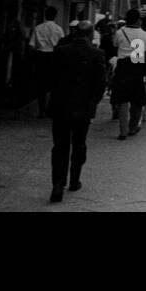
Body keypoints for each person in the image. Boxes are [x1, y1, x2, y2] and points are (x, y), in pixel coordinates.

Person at [46, 21, 107, 203]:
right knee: (79, 144)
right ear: (90, 35)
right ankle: (74, 180)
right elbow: (100, 85)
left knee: (60, 146)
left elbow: (50, 79)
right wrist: (92, 102)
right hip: (83, 108)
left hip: (60, 106)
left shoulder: (60, 51)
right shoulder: (97, 54)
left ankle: (58, 184)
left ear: (74, 33)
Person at [110, 9, 146, 139]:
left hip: (123, 67)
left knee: (122, 100)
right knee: (137, 100)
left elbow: (115, 46)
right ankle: (133, 127)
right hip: (137, 66)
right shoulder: (143, 34)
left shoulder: (120, 32)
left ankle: (122, 130)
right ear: (138, 20)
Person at [28, 6, 64, 116]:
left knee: (40, 85)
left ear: (45, 15)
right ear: (55, 16)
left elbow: (31, 45)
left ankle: (42, 110)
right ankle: (51, 108)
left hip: (41, 56)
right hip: (54, 56)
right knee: (54, 84)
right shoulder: (59, 29)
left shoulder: (38, 28)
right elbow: (62, 44)